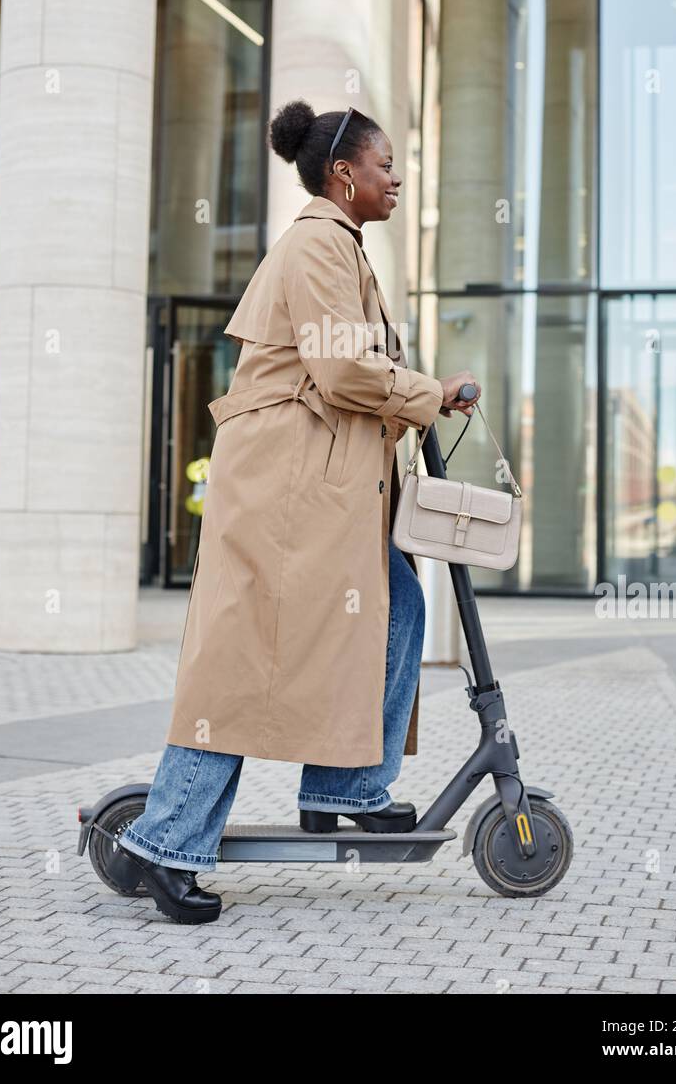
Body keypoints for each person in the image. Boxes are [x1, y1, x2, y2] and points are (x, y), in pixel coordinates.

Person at [107, 99, 481, 924]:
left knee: (395, 604)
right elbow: (345, 372)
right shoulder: (319, 244)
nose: (397, 178)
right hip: (286, 494)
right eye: (387, 166)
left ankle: (345, 782)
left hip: (315, 491)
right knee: (240, 665)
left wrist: (414, 401)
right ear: (345, 174)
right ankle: (166, 842)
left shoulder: (338, 246)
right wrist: (429, 393)